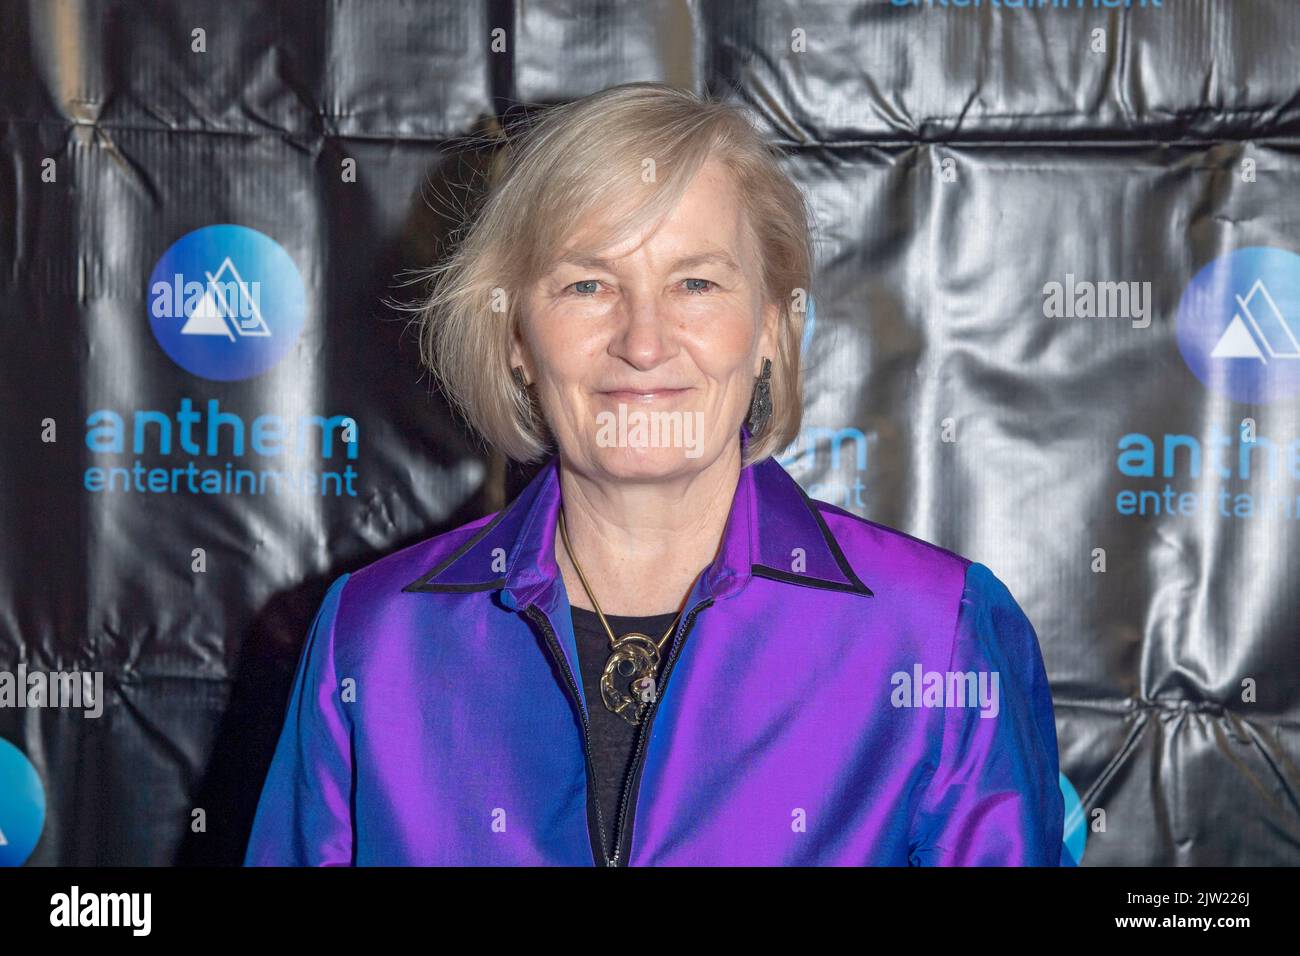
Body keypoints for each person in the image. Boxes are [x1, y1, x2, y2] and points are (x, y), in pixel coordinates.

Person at [244, 81, 1069, 866]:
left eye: (696, 282)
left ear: (773, 330)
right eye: (587, 284)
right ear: (516, 341)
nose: (643, 342)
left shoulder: (937, 634)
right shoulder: (376, 639)